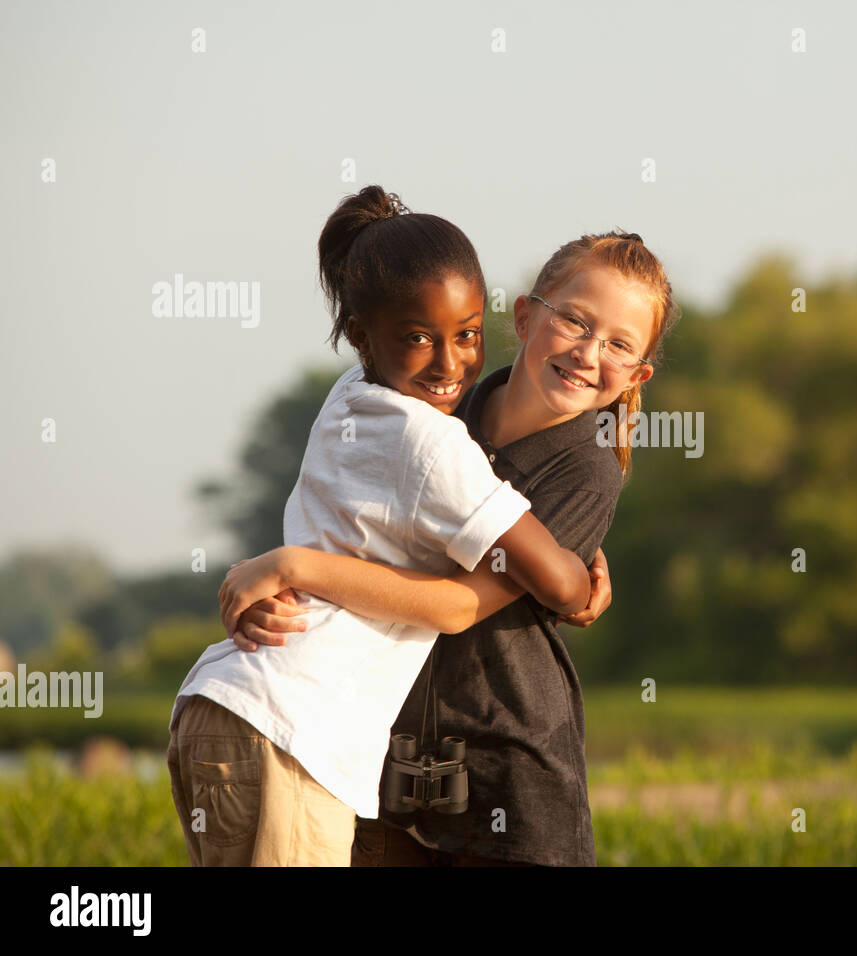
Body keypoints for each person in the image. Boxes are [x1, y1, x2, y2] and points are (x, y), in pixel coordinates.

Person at [167, 186, 596, 866]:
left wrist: (289, 566)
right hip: (289, 728)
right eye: (418, 337)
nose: (450, 363)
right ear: (361, 334)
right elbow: (552, 576)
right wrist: (585, 585)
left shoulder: (350, 397)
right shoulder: (431, 442)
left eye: (468, 336)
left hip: (234, 703)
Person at [220, 229, 680, 865]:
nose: (588, 352)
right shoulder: (433, 409)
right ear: (523, 316)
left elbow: (456, 605)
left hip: (510, 788)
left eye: (618, 344)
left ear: (638, 372)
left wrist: (297, 567)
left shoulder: (585, 472)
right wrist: (278, 597)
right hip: (380, 778)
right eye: (574, 320)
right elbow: (352, 540)